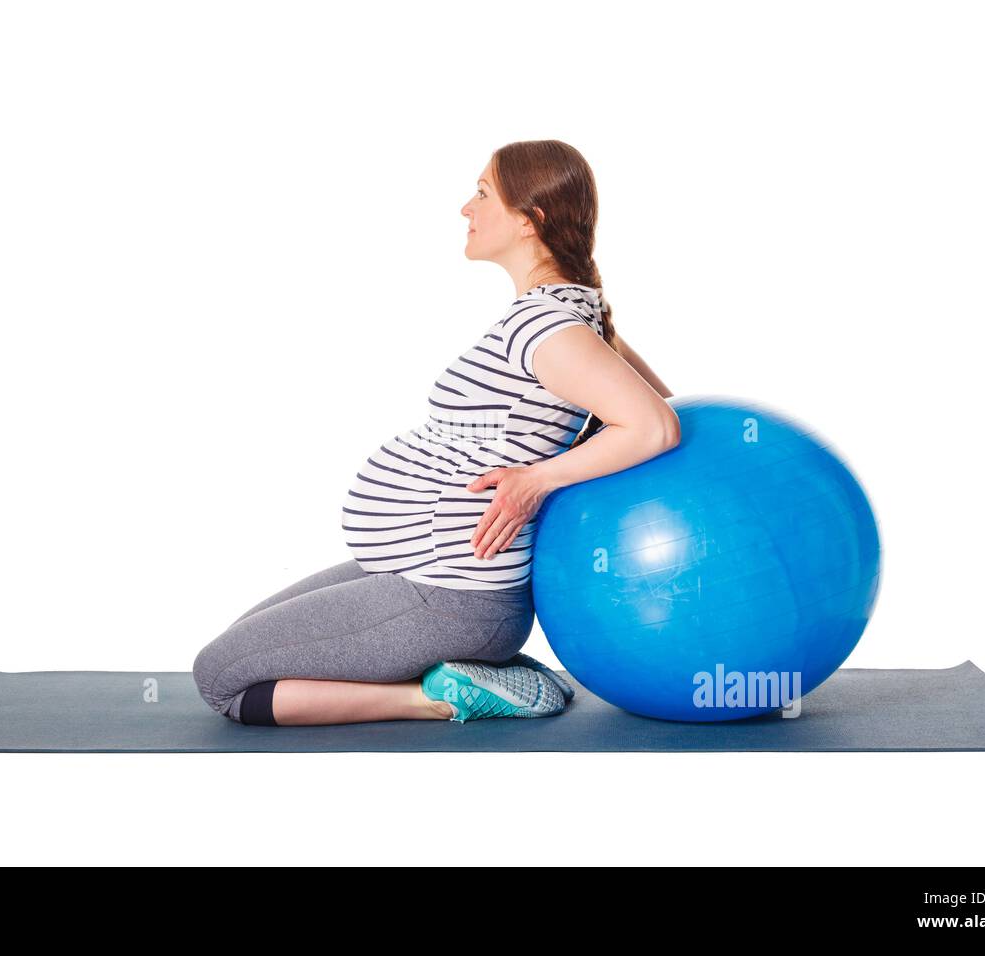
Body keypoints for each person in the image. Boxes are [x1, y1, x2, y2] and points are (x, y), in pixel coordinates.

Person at [192, 139, 678, 727]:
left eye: (482, 194)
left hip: (453, 596)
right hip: (430, 580)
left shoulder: (546, 323)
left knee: (220, 678)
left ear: (531, 220)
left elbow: (655, 424)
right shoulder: (566, 314)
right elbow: (655, 402)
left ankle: (441, 696)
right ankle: (481, 669)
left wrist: (538, 479)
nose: (465, 208)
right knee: (242, 641)